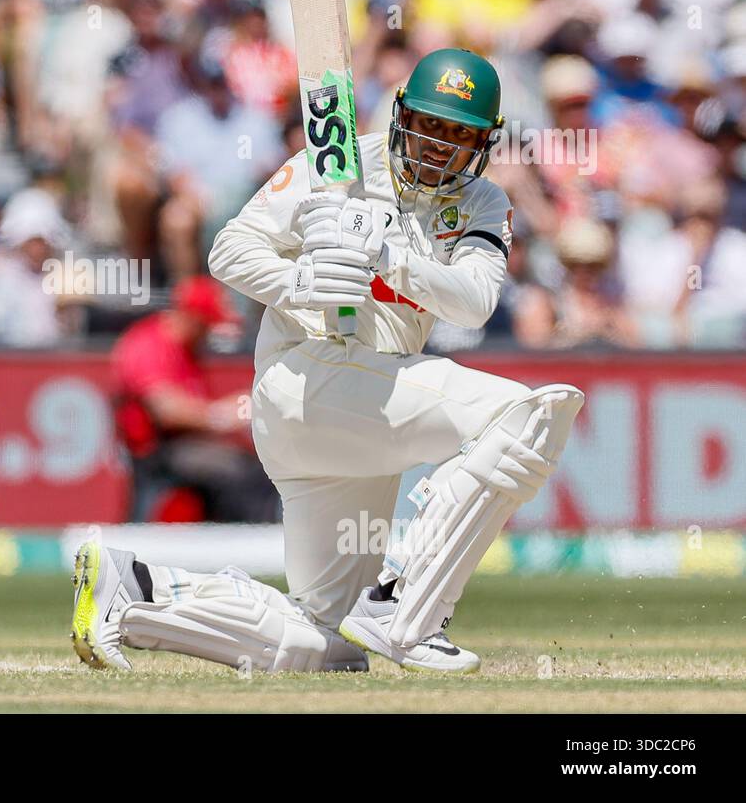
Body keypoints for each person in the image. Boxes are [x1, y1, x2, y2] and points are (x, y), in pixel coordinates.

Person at [70, 49, 584, 674]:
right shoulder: (335, 163)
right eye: (430, 125)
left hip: (363, 410)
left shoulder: (483, 204)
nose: (440, 146)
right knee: (530, 413)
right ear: (401, 117)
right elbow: (230, 249)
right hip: (307, 376)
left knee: (328, 643)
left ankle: (140, 592)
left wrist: (389, 253)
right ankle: (403, 604)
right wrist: (299, 280)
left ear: (484, 142)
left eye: (460, 135)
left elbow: (473, 303)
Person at [110, 276, 279, 523]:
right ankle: (248, 541)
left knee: (254, 462)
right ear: (192, 318)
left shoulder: (186, 350)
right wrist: (223, 415)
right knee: (241, 471)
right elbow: (167, 411)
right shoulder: (148, 344)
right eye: (206, 325)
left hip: (187, 444)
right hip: (158, 451)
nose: (209, 333)